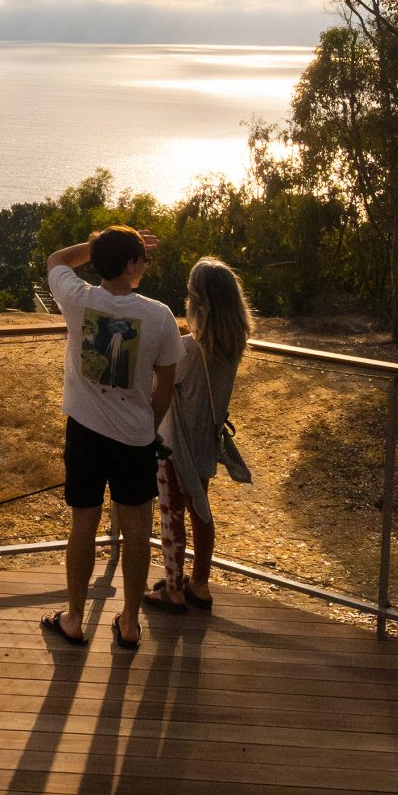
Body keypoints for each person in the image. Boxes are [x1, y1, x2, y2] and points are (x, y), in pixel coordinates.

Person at [38, 227, 185, 649]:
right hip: (135, 440)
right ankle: (130, 623)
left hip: (84, 432)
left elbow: (56, 259)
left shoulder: (77, 298)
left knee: (82, 522)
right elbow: (166, 384)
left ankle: (74, 618)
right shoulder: (159, 316)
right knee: (137, 529)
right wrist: (146, 425)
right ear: (133, 265)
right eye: (142, 258)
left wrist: (95, 246)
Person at [157, 256, 253, 611]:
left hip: (174, 445)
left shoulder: (188, 350)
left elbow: (161, 383)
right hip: (204, 444)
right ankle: (199, 583)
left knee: (172, 513)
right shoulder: (231, 348)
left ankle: (172, 587)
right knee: (201, 509)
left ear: (198, 303)